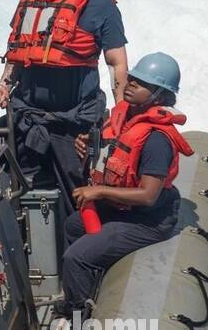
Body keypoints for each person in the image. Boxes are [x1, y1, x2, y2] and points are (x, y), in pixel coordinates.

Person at [0, 0, 128, 195]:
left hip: (72, 123)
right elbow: (18, 51)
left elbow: (116, 63)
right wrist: (4, 85)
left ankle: (81, 235)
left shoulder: (101, 5)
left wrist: (121, 114)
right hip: (27, 115)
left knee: (76, 193)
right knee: (0, 181)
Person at [59, 52, 194, 313]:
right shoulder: (125, 120)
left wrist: (98, 191)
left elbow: (148, 196)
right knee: (73, 226)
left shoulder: (156, 140)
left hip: (146, 220)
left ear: (159, 96)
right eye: (131, 79)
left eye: (140, 83)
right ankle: (88, 289)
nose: (130, 84)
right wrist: (87, 150)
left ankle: (76, 326)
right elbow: (113, 162)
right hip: (121, 209)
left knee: (76, 258)